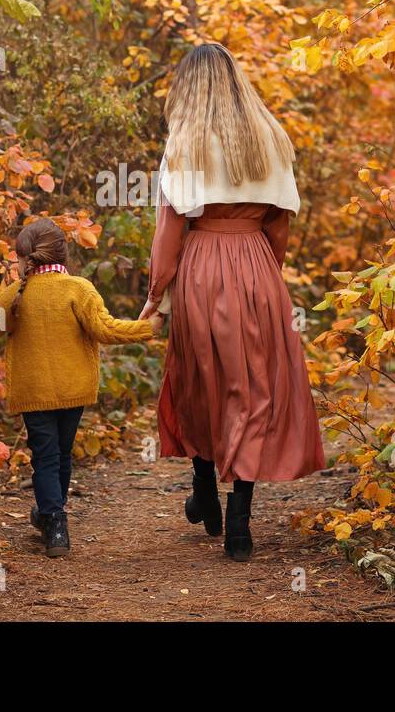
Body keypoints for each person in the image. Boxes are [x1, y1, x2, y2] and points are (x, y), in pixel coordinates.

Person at [139, 43, 325, 561]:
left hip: (201, 268)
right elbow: (280, 225)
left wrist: (156, 295)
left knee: (198, 379)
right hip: (258, 267)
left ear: (188, 88)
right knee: (254, 388)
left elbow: (169, 233)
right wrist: (266, 275)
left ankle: (204, 488)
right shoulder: (271, 140)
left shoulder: (184, 146)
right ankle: (239, 521)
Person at [0, 218, 161, 557]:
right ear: (62, 255)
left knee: (46, 457)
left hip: (34, 394)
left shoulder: (14, 295)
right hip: (73, 390)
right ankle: (54, 519)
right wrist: (146, 328)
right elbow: (106, 330)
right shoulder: (79, 289)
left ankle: (53, 520)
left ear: (25, 259)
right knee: (62, 455)